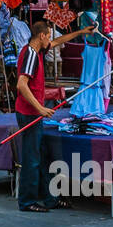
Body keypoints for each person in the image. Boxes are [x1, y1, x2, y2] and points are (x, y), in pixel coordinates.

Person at [15, 20, 94, 213]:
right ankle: (26, 201)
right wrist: (40, 108)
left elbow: (58, 42)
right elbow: (21, 85)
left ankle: (50, 199)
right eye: (48, 35)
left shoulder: (38, 50)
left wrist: (80, 32)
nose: (50, 39)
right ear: (41, 35)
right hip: (29, 114)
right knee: (32, 159)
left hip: (33, 113)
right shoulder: (31, 54)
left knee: (42, 156)